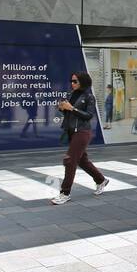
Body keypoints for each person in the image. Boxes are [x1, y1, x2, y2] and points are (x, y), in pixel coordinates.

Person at [51, 71, 108, 205]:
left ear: (83, 81)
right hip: (70, 131)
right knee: (82, 160)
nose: (72, 83)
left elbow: (89, 115)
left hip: (82, 132)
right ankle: (101, 180)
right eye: (71, 81)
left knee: (70, 161)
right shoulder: (70, 94)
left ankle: (65, 193)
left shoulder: (89, 97)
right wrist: (61, 107)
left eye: (75, 81)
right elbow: (66, 111)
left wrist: (72, 109)